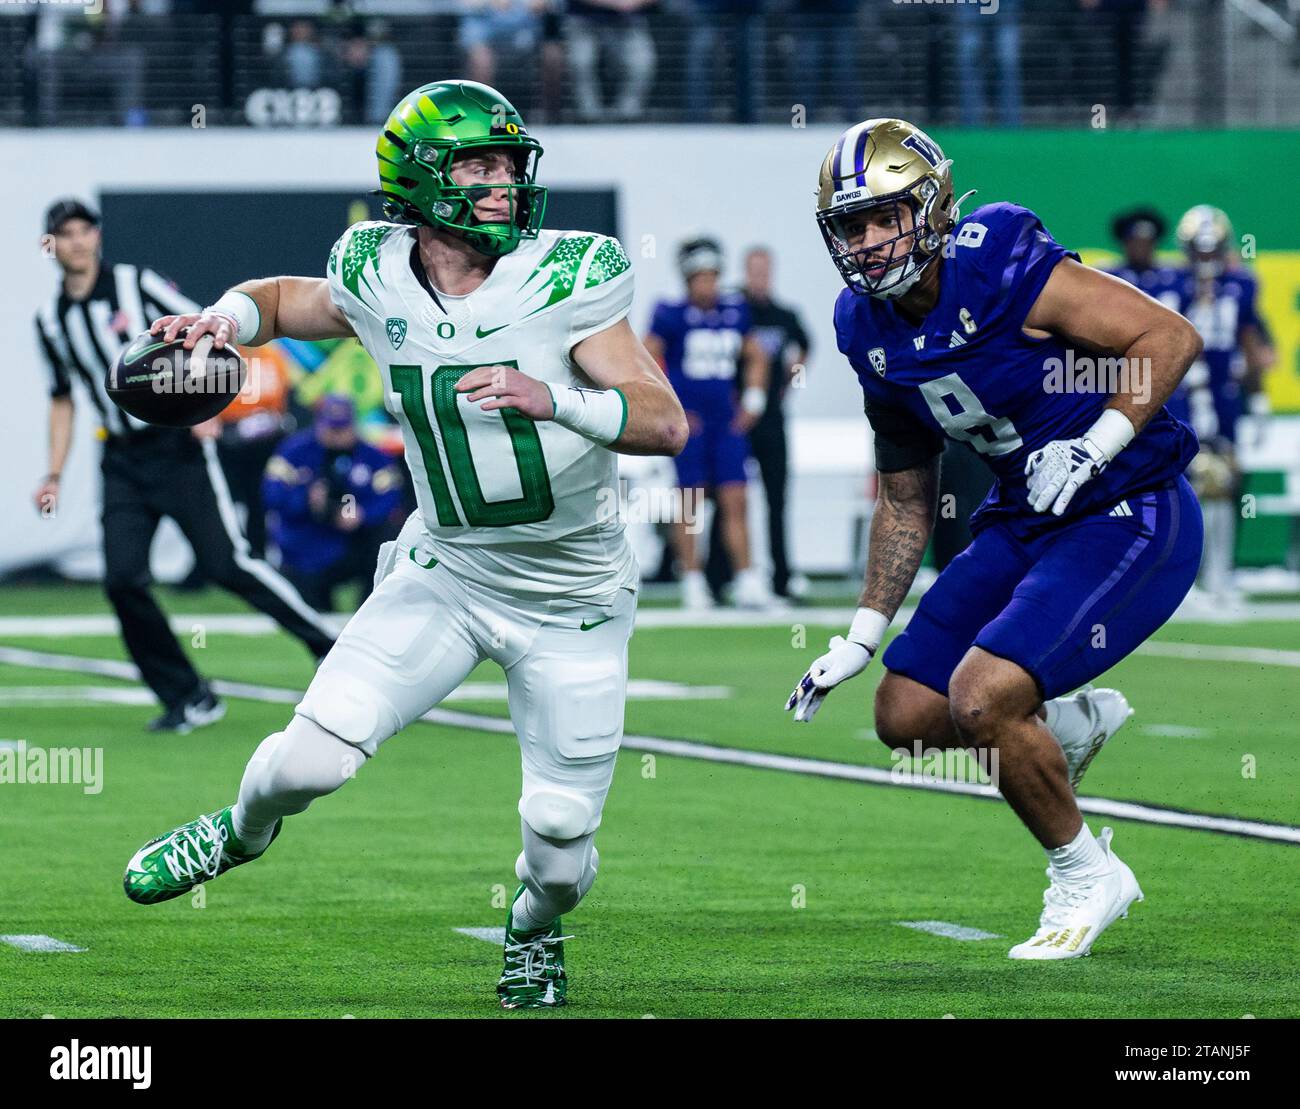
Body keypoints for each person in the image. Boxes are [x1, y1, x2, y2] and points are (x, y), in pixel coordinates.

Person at [122, 81, 689, 1012]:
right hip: (448, 572)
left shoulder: (569, 274)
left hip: (574, 596)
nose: (503, 183)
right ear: (420, 180)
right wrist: (223, 320)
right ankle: (239, 830)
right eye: (478, 165)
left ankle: (534, 930)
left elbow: (665, 423)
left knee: (557, 837)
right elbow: (281, 299)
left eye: (509, 163)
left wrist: (560, 398)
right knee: (306, 763)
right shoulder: (375, 268)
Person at [788, 119, 1204, 960]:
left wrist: (1098, 442)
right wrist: (862, 633)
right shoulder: (862, 326)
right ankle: (1064, 722)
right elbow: (907, 494)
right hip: (1025, 517)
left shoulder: (998, 256)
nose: (868, 243)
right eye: (851, 227)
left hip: (1126, 501)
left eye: (884, 218)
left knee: (980, 697)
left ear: (934, 207)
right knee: (906, 714)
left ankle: (1087, 872)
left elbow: (1169, 335)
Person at [31, 198, 336, 734]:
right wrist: (53, 473)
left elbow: (208, 331)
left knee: (227, 564)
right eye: (64, 233)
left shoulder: (135, 283)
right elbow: (63, 399)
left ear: (97, 236)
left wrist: (203, 405)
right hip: (121, 462)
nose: (76, 242)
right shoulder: (53, 319)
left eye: (84, 230)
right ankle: (188, 695)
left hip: (176, 451)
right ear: (50, 244)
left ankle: (331, 651)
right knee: (123, 580)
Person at [645, 237, 771, 609]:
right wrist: (672, 408)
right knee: (690, 501)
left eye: (713, 277)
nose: (708, 285)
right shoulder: (670, 314)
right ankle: (693, 579)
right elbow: (647, 360)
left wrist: (753, 400)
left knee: (737, 499)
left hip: (725, 424)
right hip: (690, 426)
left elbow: (757, 356)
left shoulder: (734, 312)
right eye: (701, 278)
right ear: (687, 280)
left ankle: (747, 579)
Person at [1171, 205, 1274, 601]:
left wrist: (1259, 395)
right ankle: (1189, 579)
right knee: (1191, 479)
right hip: (1184, 391)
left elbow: (1249, 338)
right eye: (1200, 250)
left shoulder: (1242, 283)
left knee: (1226, 480)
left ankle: (1221, 575)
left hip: (1224, 393)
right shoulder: (1173, 283)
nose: (1207, 259)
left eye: (1213, 251)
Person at [263, 394, 405, 612]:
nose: (337, 436)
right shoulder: (294, 451)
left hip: (352, 543)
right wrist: (306, 500)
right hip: (307, 546)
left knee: (389, 534)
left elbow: (392, 495)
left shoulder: (372, 456)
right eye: (331, 429)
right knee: (314, 614)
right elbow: (271, 495)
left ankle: (370, 610)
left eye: (342, 429)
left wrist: (363, 514)